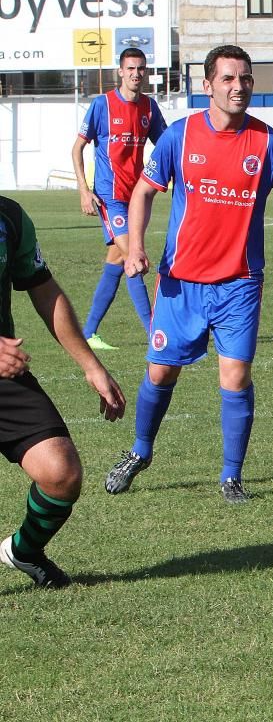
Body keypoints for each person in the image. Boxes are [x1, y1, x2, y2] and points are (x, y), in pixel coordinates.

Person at [104, 44, 273, 504]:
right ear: (207, 86)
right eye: (228, 79)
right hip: (181, 283)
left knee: (235, 378)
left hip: (239, 283)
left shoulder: (266, 142)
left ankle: (231, 476)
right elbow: (142, 192)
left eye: (245, 79)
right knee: (160, 375)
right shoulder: (180, 136)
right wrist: (134, 245)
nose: (238, 87)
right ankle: (140, 452)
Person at [1, 196, 126, 588]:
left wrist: (91, 366)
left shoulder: (9, 217)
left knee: (61, 472)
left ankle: (24, 552)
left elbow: (43, 289)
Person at [70, 48, 167, 351]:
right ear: (120, 72)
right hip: (110, 197)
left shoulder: (149, 108)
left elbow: (166, 146)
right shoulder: (102, 106)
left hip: (137, 198)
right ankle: (154, 332)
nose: (136, 74)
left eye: (141, 69)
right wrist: (84, 190)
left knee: (118, 260)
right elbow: (77, 148)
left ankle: (88, 332)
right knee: (135, 259)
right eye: (131, 69)